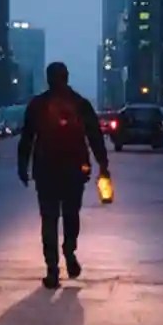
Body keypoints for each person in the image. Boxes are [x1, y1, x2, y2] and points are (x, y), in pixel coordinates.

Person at [17, 61, 109, 289]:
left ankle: (53, 268)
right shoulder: (80, 104)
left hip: (47, 170)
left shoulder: (38, 105)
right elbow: (94, 136)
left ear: (49, 79)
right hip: (73, 170)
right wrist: (102, 164)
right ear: (66, 77)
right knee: (70, 215)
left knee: (49, 219)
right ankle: (68, 252)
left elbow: (27, 138)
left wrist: (23, 166)